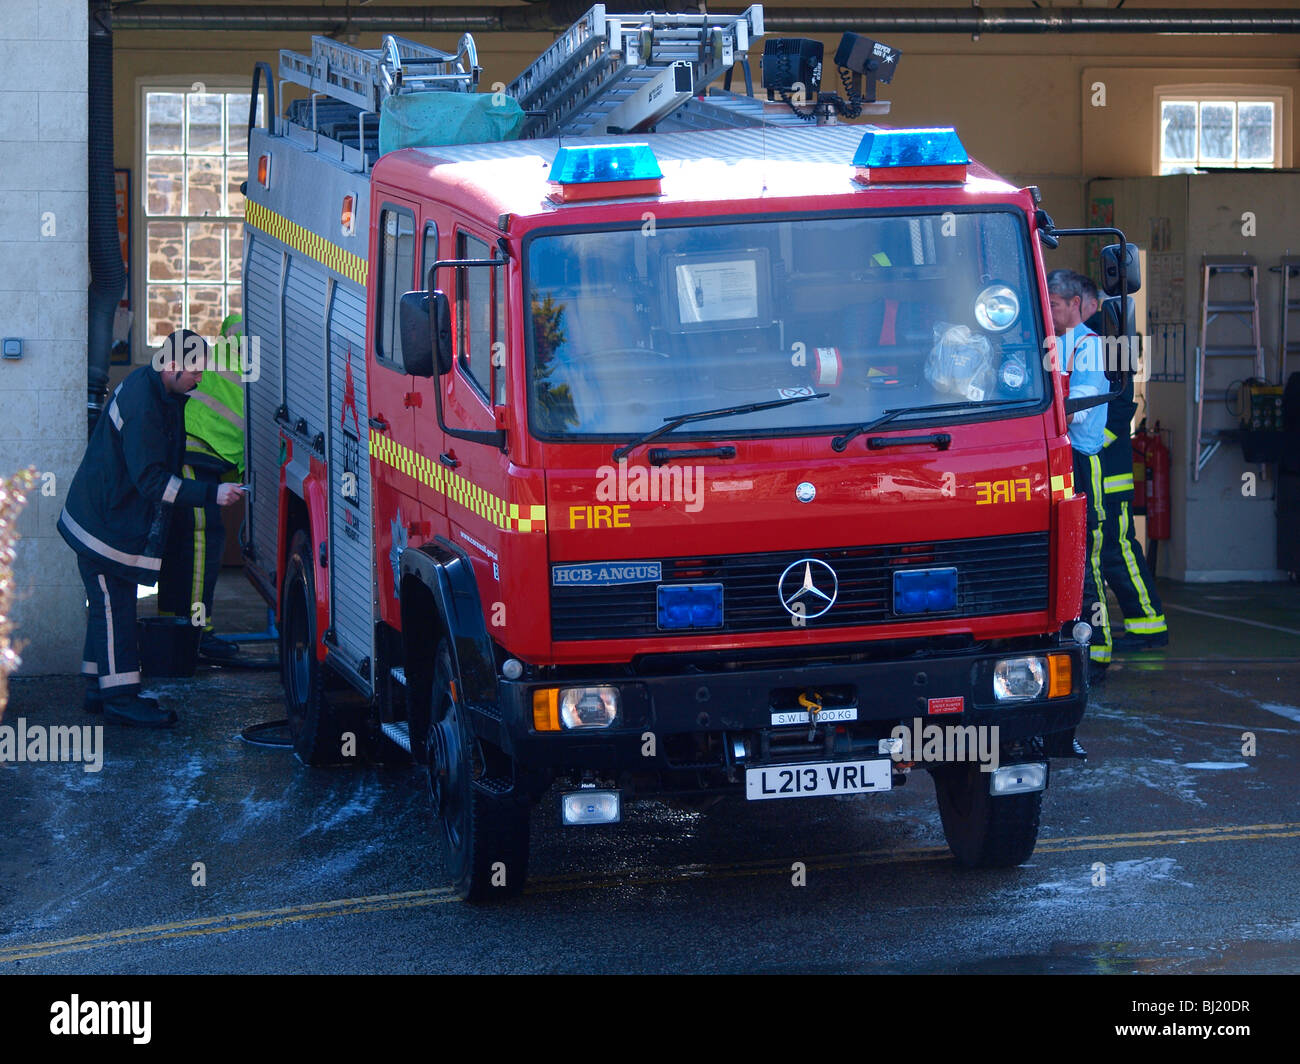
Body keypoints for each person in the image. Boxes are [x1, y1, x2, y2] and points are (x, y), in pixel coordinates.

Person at [57, 330, 245, 727]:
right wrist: (213, 494)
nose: (201, 380)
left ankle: (98, 688)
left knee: (107, 608)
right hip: (103, 528)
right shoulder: (145, 403)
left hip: (102, 521)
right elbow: (152, 482)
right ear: (173, 366)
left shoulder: (157, 391)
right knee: (115, 609)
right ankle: (121, 698)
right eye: (195, 372)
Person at [1077, 275, 1170, 651]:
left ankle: (1148, 625)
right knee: (1110, 551)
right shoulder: (1078, 340)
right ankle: (1144, 624)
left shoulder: (1110, 341)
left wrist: (1088, 450)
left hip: (1107, 470)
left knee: (1117, 549)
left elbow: (1119, 407)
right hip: (1095, 468)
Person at [157, 319, 246, 662]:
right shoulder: (267, 363)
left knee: (178, 540)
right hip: (199, 453)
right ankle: (197, 632)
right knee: (201, 541)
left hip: (185, 450)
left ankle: (170, 626)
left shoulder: (223, 349)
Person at [1047, 269, 1111, 682]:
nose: (1049, 310)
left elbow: (1084, 404)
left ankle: (1098, 648)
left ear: (1075, 303)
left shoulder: (1089, 346)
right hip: (1054, 457)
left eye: (1054, 304)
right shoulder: (1047, 342)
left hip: (1082, 459)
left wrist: (1042, 409)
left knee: (1085, 555)